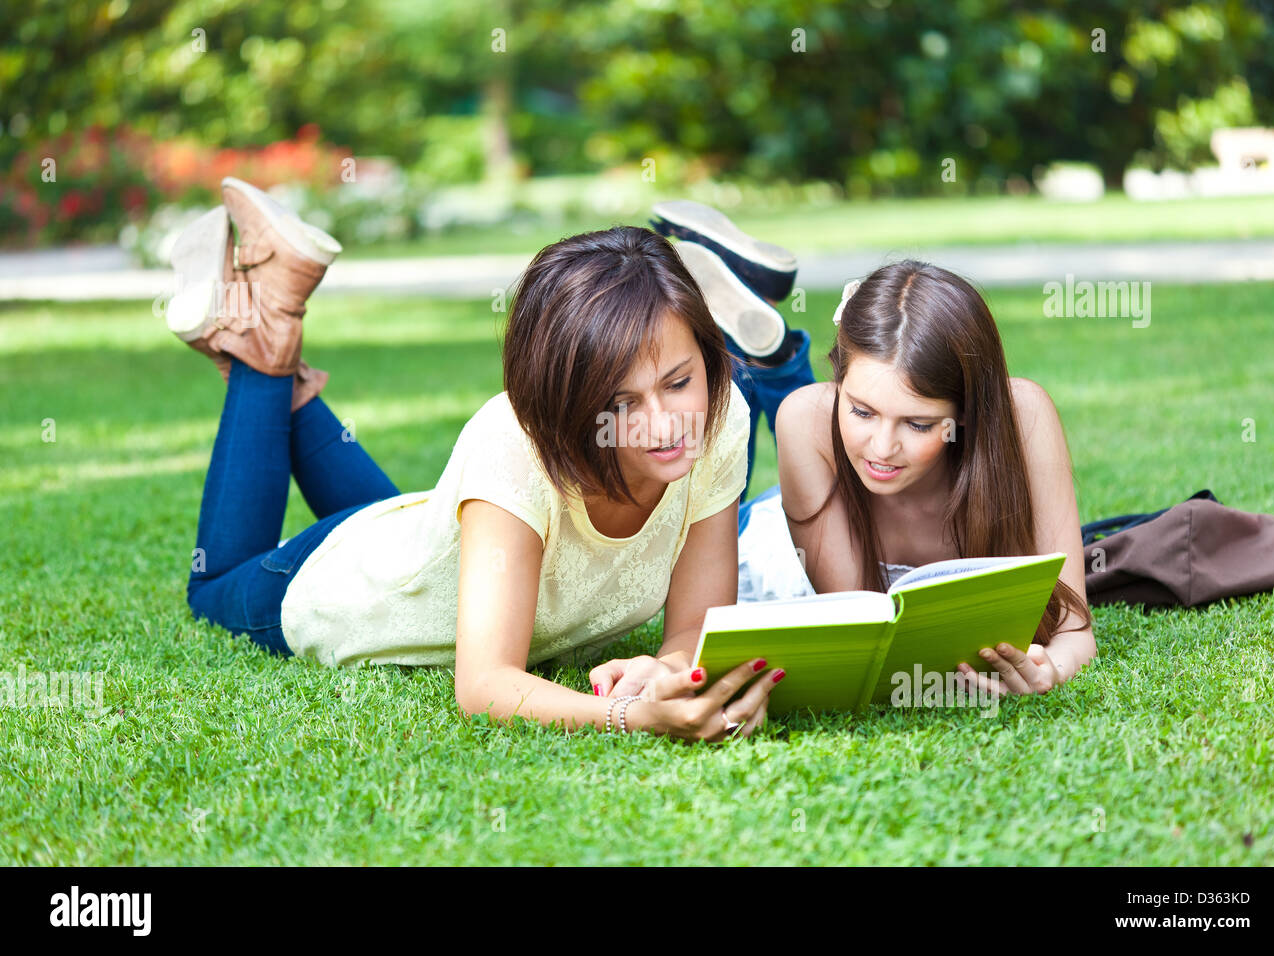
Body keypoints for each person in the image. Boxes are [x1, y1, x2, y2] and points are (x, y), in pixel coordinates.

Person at [170, 179, 783, 744]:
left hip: (417, 538)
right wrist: (630, 715)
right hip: (347, 591)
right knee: (211, 588)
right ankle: (268, 331)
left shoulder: (717, 417)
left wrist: (667, 673)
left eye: (679, 382)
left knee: (407, 528)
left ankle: (272, 340)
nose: (666, 421)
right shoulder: (515, 443)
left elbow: (695, 627)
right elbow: (486, 685)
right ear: (564, 402)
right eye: (621, 402)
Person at [731, 259, 1097, 695]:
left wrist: (1050, 669)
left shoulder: (1024, 418)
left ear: (965, 414)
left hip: (824, 486)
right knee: (725, 513)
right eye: (862, 411)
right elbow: (868, 642)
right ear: (839, 382)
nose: (883, 448)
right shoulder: (808, 417)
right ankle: (751, 345)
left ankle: (768, 341)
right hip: (770, 532)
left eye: (919, 424)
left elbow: (1076, 634)